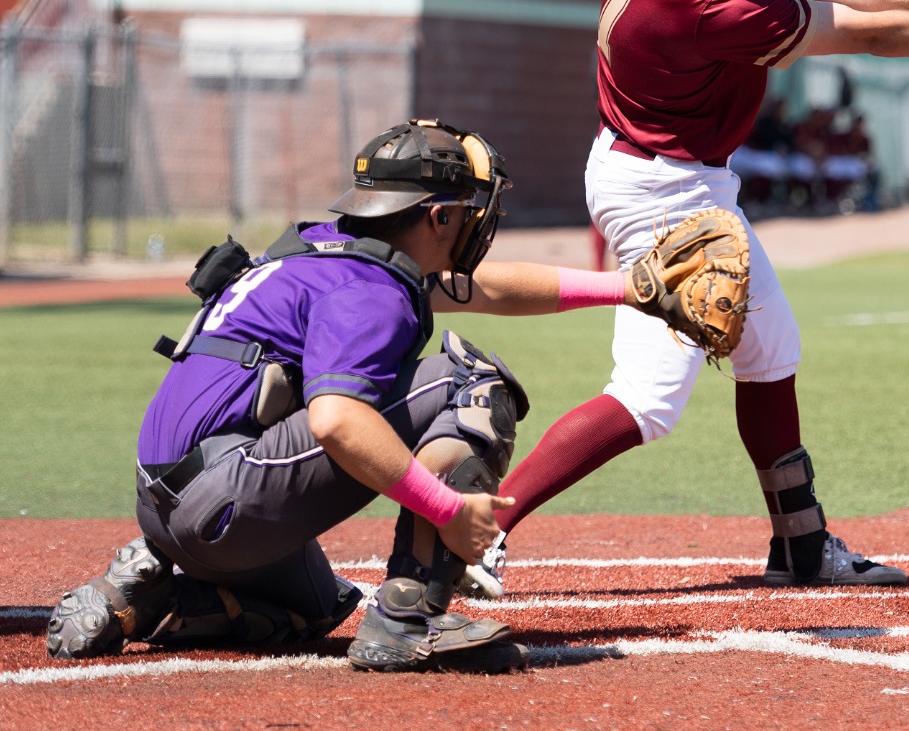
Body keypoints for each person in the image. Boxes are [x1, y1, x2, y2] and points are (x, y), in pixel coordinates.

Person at [475, 0, 909, 593]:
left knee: (771, 353)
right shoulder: (704, 1)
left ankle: (802, 545)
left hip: (674, 174)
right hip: (662, 191)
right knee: (648, 397)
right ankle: (478, 529)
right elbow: (856, 31)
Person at [46, 119, 695, 669]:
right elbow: (334, 420)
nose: (478, 224)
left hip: (168, 502)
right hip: (221, 497)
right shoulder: (372, 290)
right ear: (438, 216)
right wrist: (446, 507)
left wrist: (630, 288)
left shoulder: (327, 250)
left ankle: (147, 593)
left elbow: (489, 287)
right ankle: (409, 617)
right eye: (470, 211)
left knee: (309, 611)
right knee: (473, 381)